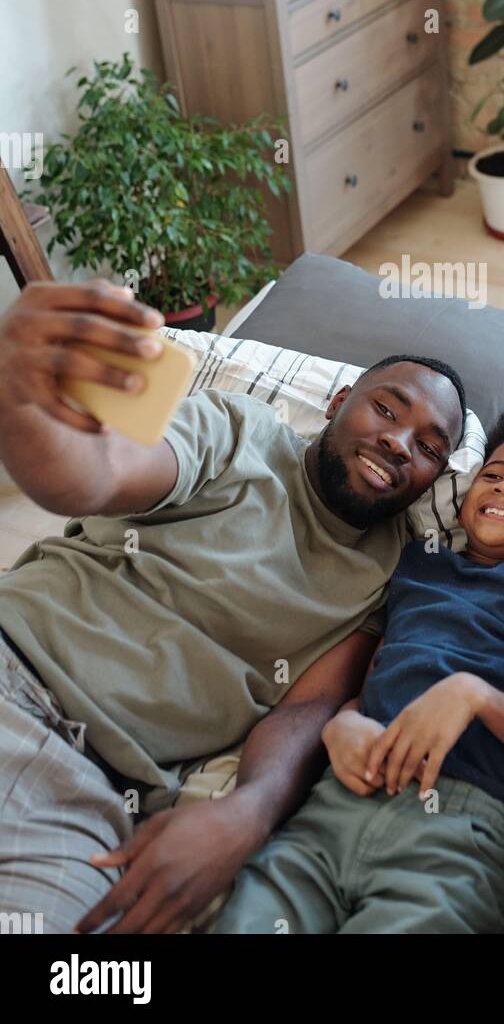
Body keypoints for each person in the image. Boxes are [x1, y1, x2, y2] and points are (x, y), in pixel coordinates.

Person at [0, 278, 465, 935]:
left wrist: (246, 814)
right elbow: (95, 475)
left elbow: (307, 708)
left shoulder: (392, 570)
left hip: (92, 784)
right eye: (387, 410)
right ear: (337, 404)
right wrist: (20, 394)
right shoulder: (238, 431)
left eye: (430, 447)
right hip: (15, 666)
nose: (400, 443)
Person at [210, 407, 504, 935]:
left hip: (454, 829)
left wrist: (476, 697)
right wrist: (341, 723)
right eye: (495, 475)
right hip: (337, 802)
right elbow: (375, 678)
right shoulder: (417, 565)